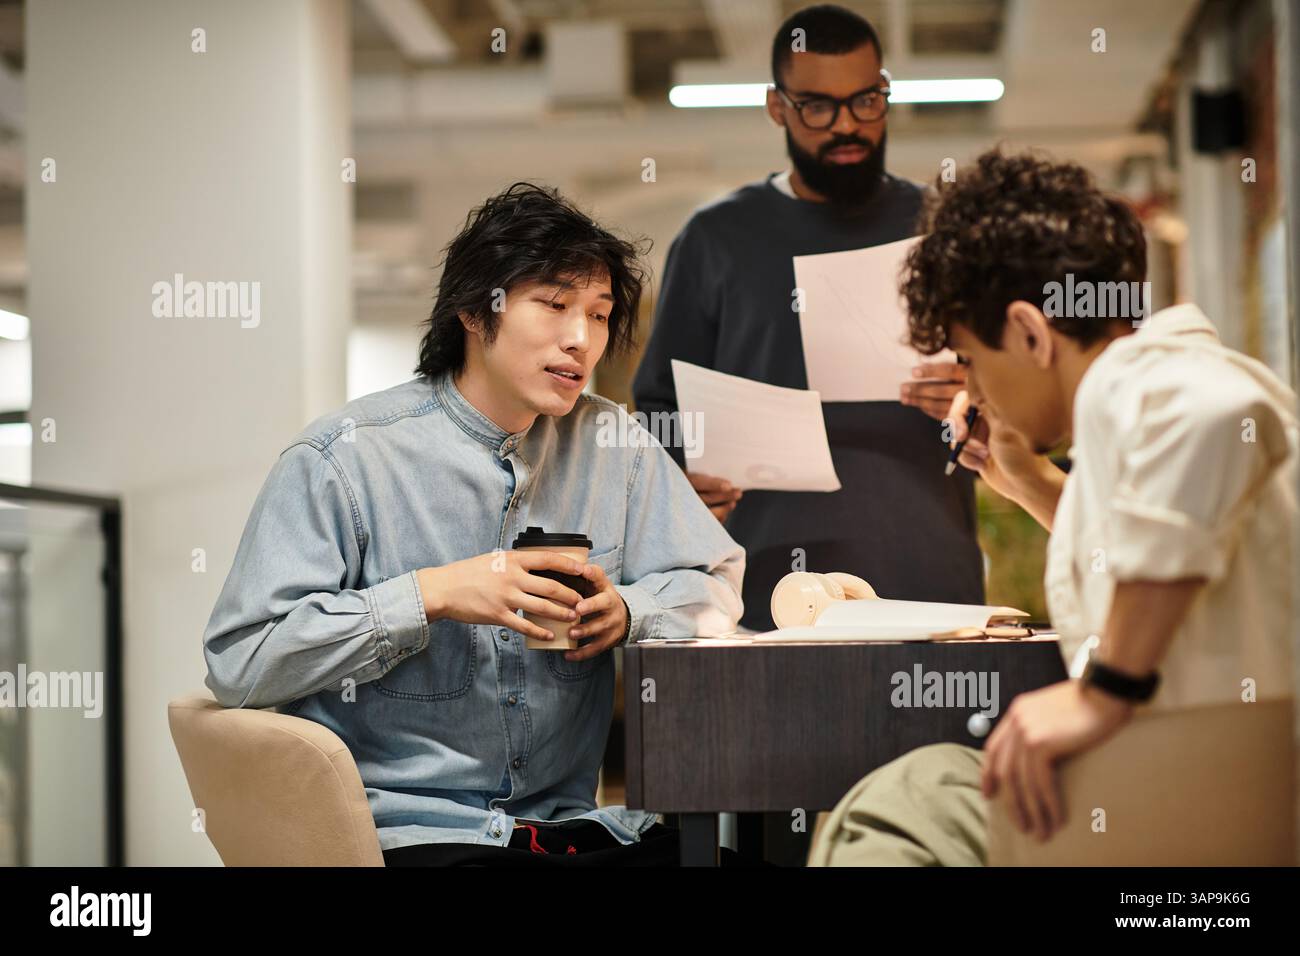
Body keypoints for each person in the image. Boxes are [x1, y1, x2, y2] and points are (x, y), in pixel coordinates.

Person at [203, 183, 748, 866]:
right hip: (414, 835)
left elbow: (717, 582)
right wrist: (431, 595)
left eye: (600, 314)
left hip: (570, 826)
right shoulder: (344, 458)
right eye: (553, 306)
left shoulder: (615, 444)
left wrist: (630, 612)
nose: (581, 339)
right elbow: (240, 659)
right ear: (473, 310)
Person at [809, 148, 1296, 866]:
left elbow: (1213, 421)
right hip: (1203, 804)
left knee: (894, 809)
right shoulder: (1146, 382)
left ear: (1032, 334)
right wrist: (1029, 481)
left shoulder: (1139, 380)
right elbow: (1157, 532)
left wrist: (1104, 692)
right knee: (917, 792)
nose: (972, 385)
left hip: (1195, 822)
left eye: (971, 359)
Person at [633, 3, 983, 635]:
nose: (847, 125)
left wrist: (974, 393)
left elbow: (1020, 396)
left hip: (930, 574)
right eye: (818, 107)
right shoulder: (717, 239)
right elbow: (658, 408)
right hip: (771, 590)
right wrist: (680, 487)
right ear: (777, 106)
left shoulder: (946, 226)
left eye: (866, 102)